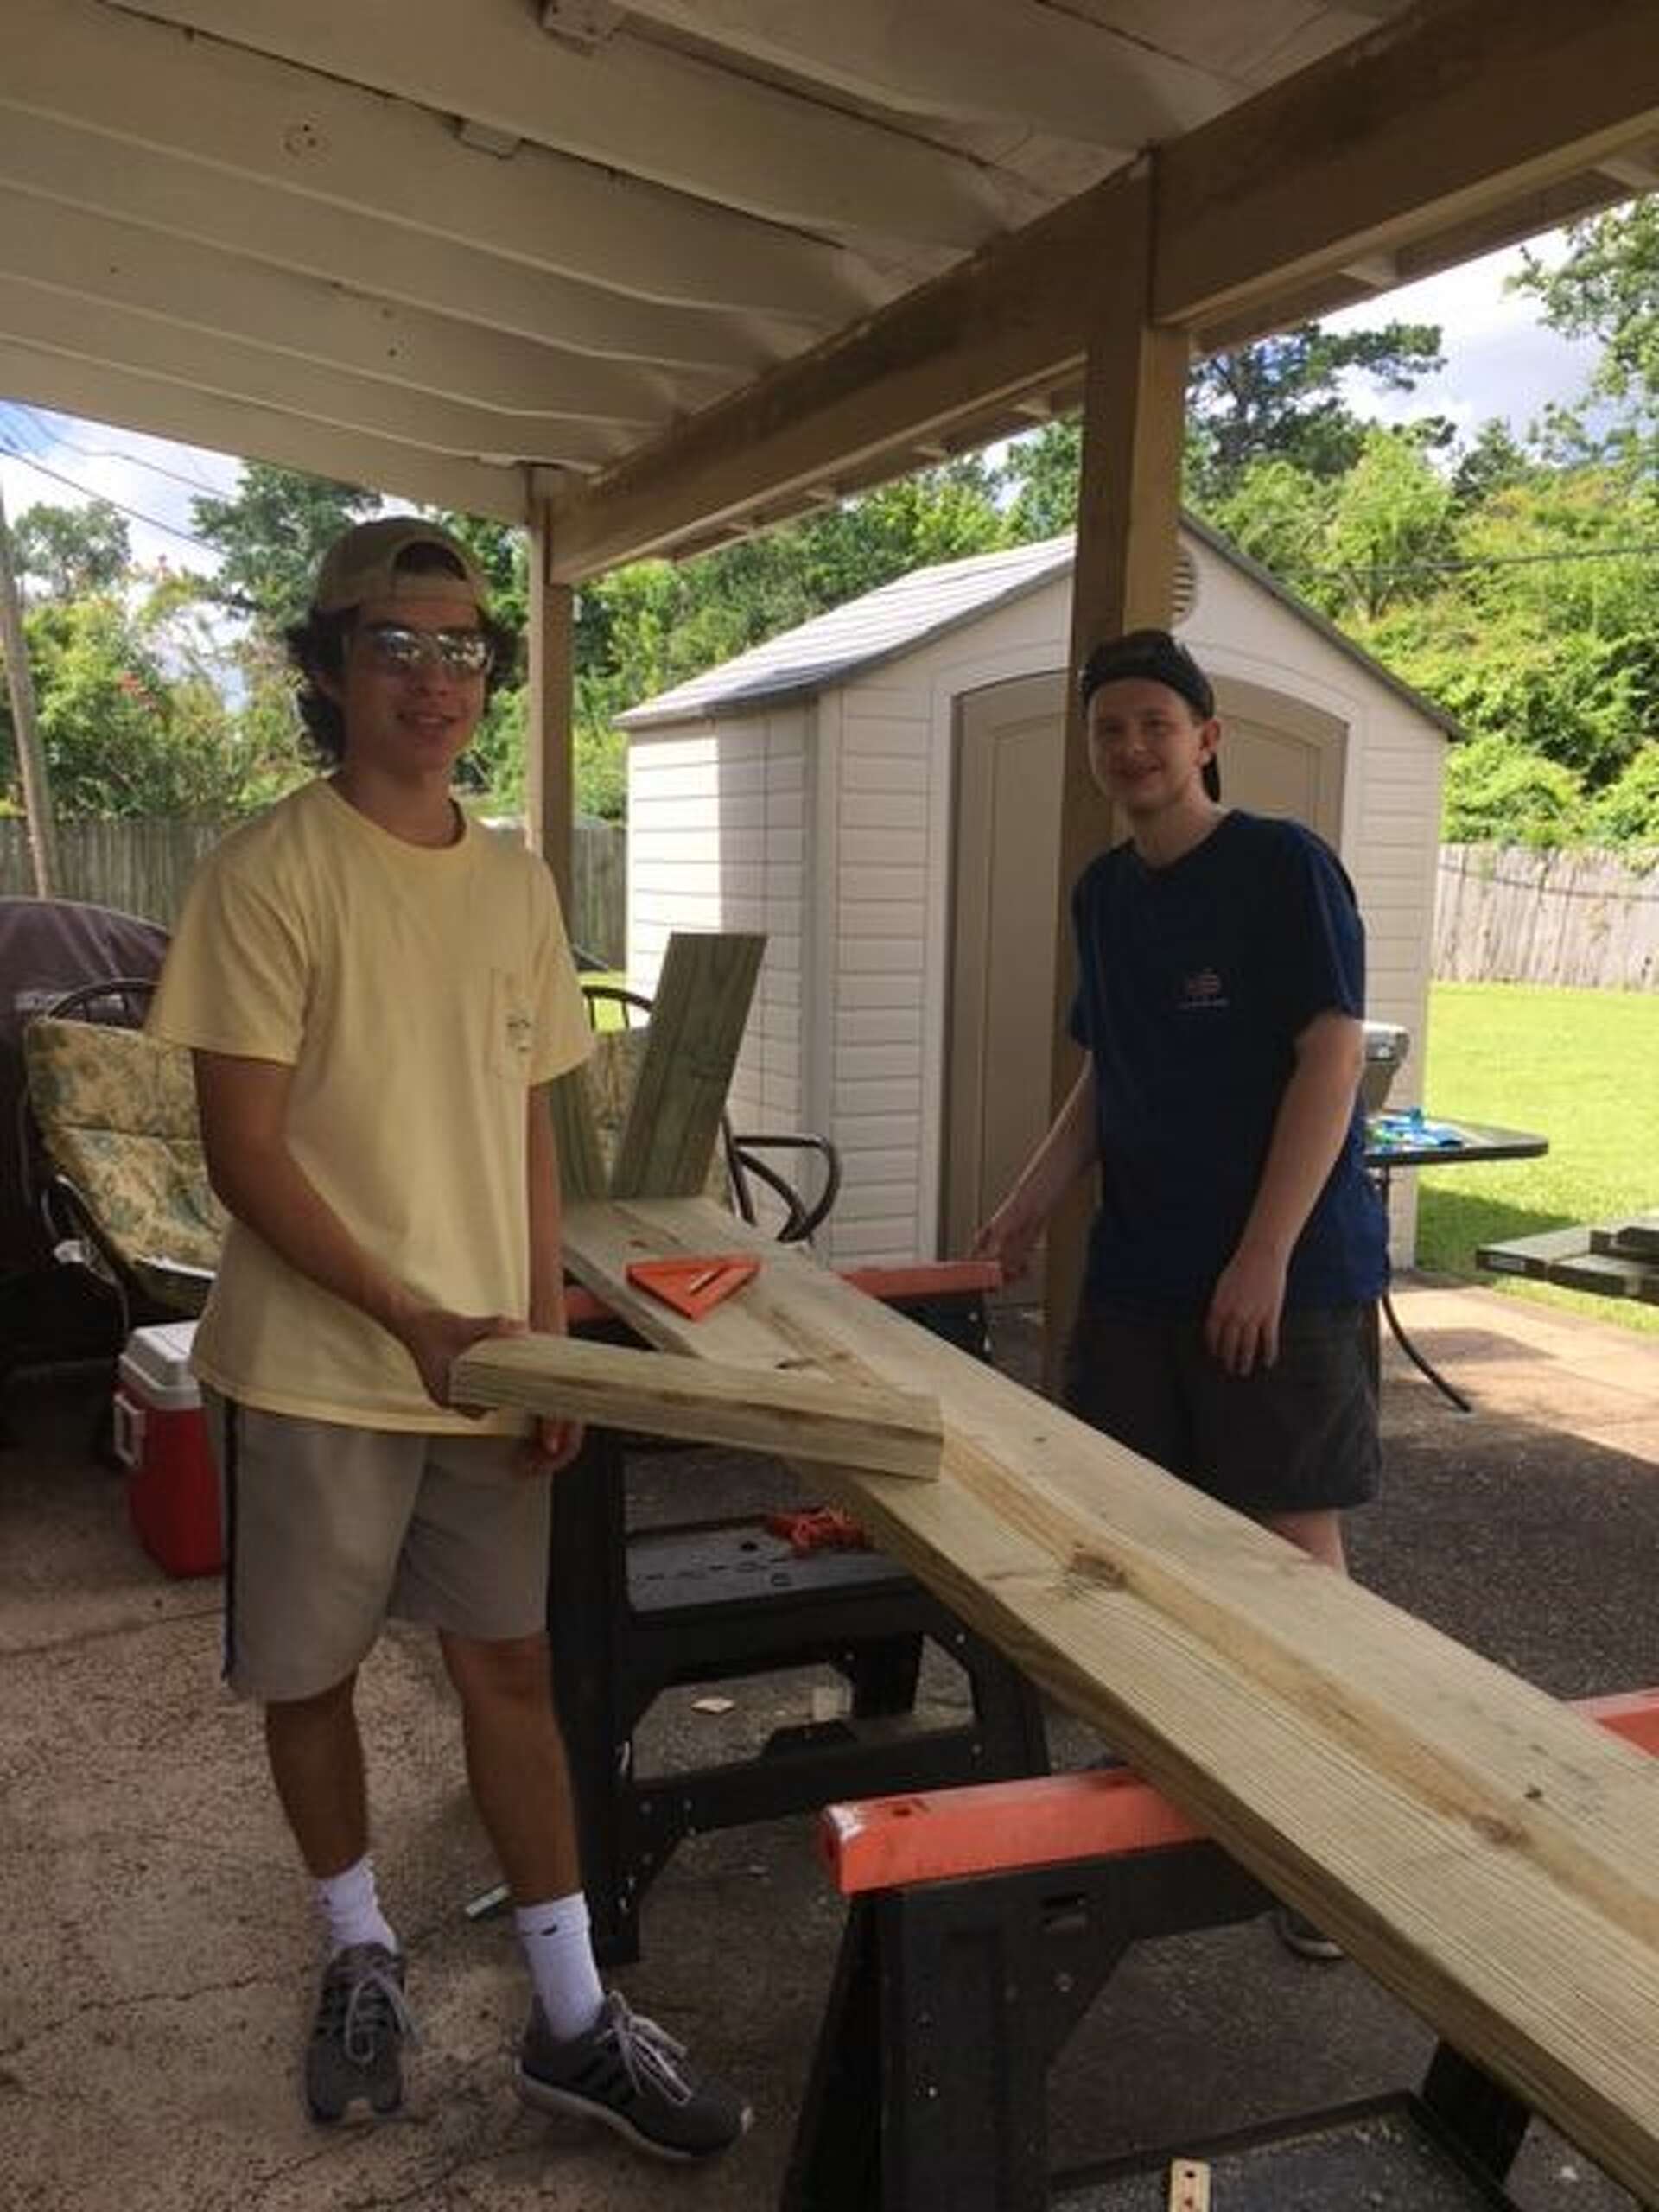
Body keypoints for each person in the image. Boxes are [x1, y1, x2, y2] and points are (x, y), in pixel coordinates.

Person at [148, 517, 750, 2155]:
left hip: (483, 1363)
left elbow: (534, 1135)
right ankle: (359, 1952)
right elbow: (244, 1153)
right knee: (312, 1675)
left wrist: (544, 1327)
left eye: (466, 647)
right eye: (398, 645)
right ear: (329, 667)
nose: (436, 678)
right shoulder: (266, 875)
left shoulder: (517, 883)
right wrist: (419, 1317)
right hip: (323, 1364)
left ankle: (570, 2019)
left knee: (510, 1668)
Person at [972, 628, 1388, 1956]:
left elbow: (1331, 1055)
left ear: (1207, 737)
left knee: (1286, 1553)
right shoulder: (1105, 894)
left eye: (1156, 721)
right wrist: (1032, 1200)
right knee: (1134, 1543)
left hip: (1284, 1273)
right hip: (1144, 1275)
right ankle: (1189, 1793)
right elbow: (1109, 1074)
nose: (1132, 747)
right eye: (1110, 730)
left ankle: (1337, 1847)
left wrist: (1263, 1251)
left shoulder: (1281, 867)